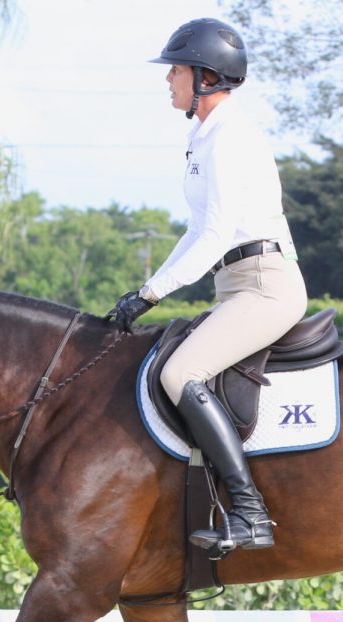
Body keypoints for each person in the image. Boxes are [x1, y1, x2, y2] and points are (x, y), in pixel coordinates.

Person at [105, 17, 307, 554]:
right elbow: (196, 232)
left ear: (207, 77)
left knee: (180, 372)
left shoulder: (229, 138)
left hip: (264, 284)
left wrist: (151, 295)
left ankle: (250, 513)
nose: (167, 78)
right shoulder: (205, 137)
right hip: (235, 285)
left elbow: (215, 234)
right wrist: (145, 289)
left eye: (176, 70)